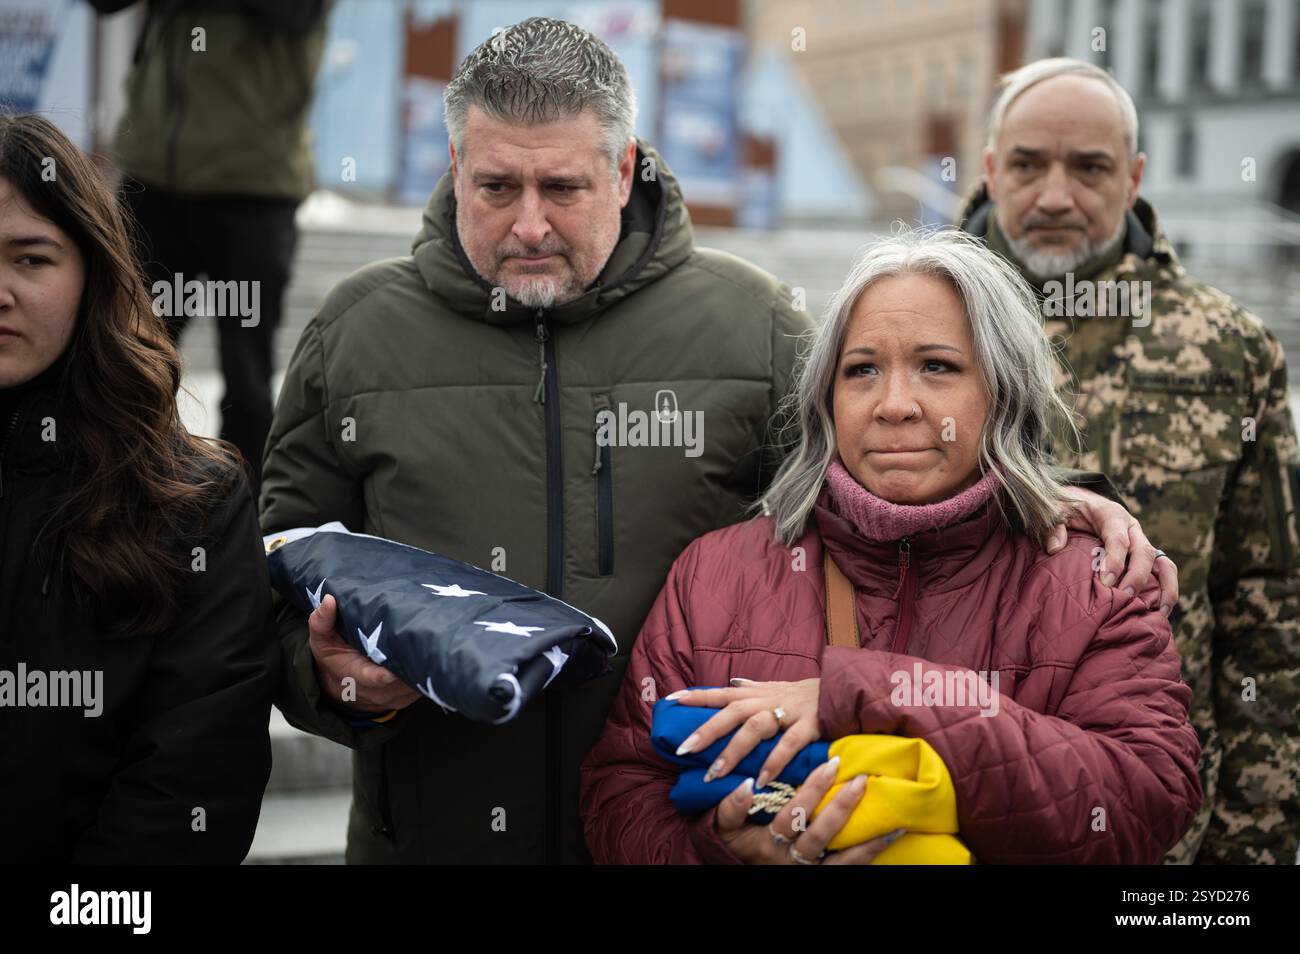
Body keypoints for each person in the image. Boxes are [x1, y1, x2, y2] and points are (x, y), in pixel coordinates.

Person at [261, 18, 1174, 865]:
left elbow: (882, 474)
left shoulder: (752, 325)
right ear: (455, 164)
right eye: (497, 187)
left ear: (622, 171)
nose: (529, 224)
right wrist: (330, 681)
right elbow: (269, 578)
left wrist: (1055, 500)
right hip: (436, 845)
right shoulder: (354, 333)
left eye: (564, 188)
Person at [581, 229, 1202, 865]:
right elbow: (622, 792)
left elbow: (1146, 800)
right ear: (826, 400)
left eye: (937, 366)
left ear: (1003, 391)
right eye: (862, 371)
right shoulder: (715, 573)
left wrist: (870, 694)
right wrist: (718, 854)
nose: (894, 405)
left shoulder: (1094, 581)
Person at [960, 57, 1300, 865]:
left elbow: (1271, 609)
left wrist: (1250, 844)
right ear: (988, 169)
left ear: (1137, 176)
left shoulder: (1228, 350)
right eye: (1028, 164)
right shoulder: (904, 330)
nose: (1053, 196)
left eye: (1089, 168)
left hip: (1160, 830)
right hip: (940, 801)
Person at [0, 113, 277, 862]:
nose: (0, 291)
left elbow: (192, 788)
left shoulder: (191, 503)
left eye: (31, 259)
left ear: (91, 274)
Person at [87, 0, 332, 495]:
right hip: (154, 178)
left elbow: (295, 14)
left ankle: (242, 519)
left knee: (247, 379)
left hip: (253, 188)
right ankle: (115, 506)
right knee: (125, 362)